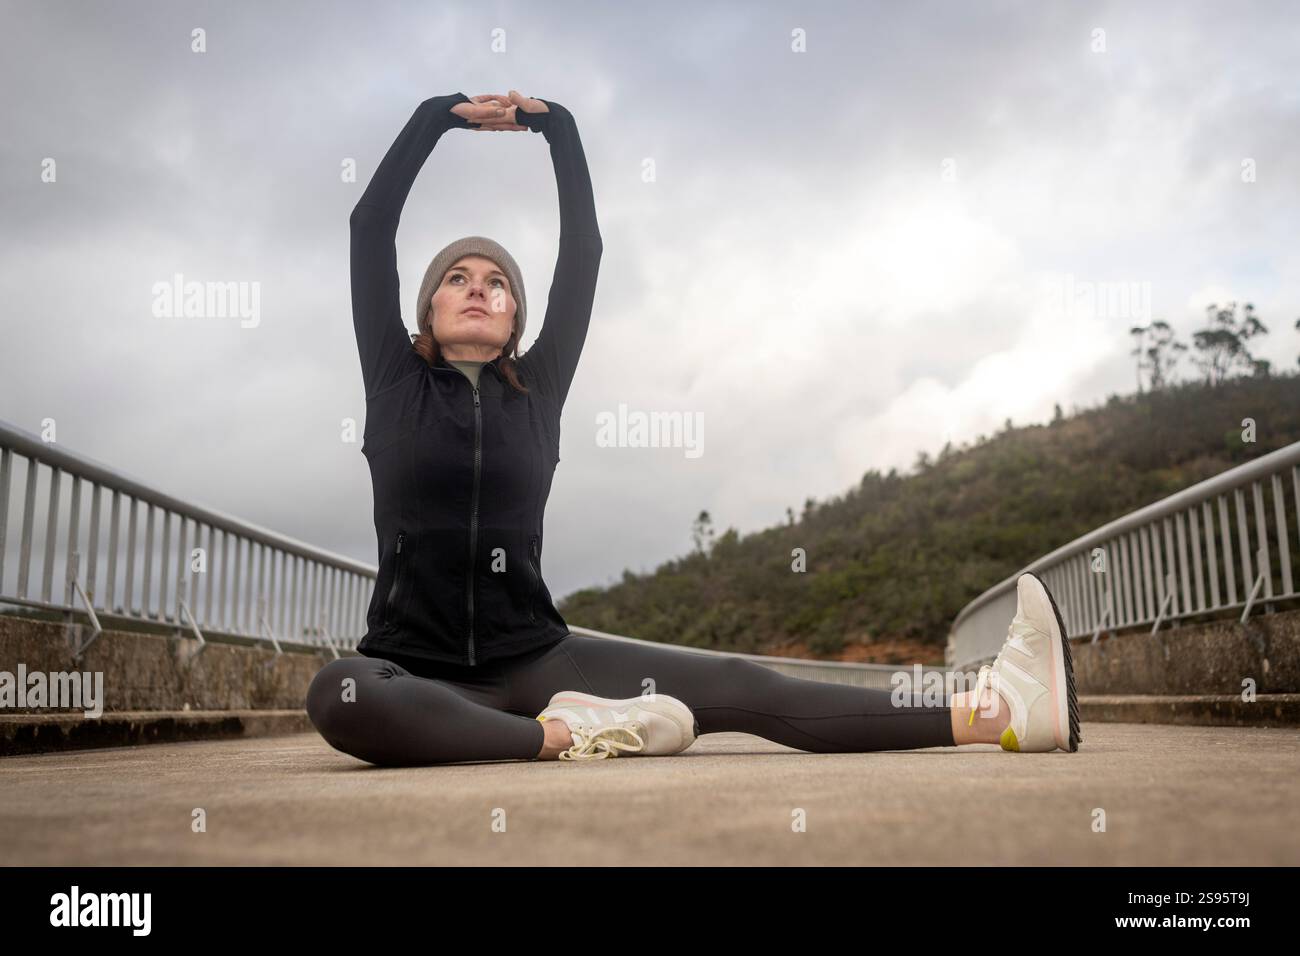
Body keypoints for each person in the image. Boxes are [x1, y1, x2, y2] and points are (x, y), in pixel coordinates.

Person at [306, 90, 1082, 764]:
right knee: (339, 693)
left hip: (533, 656)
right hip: (413, 667)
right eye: (457, 279)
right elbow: (369, 226)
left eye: (498, 282)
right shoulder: (393, 380)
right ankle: (563, 739)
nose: (478, 289)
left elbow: (585, 250)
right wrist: (435, 118)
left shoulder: (537, 389)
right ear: (427, 310)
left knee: (745, 684)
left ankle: (1004, 713)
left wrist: (560, 130)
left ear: (516, 320)